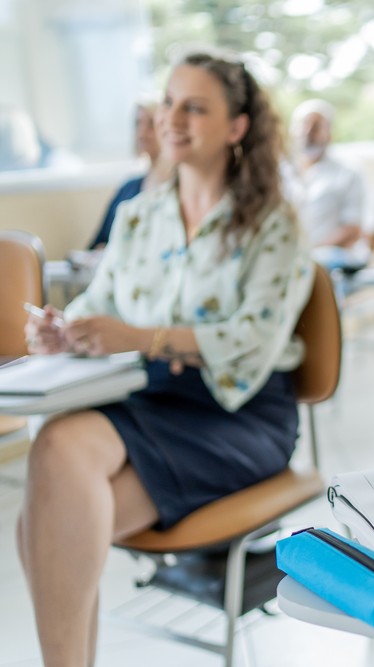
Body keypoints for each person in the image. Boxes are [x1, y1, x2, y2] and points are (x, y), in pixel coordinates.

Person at [17, 51, 313, 666]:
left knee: (47, 513)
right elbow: (99, 309)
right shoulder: (138, 216)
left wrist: (144, 337)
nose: (171, 119)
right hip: (150, 399)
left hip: (238, 414)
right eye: (169, 103)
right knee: (56, 462)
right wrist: (62, 331)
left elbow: (253, 341)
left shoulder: (273, 223)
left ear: (236, 127)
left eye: (194, 108)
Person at [282, 98, 374, 270]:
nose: (308, 132)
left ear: (329, 133)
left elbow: (353, 230)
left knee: (312, 265)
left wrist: (310, 252)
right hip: (298, 258)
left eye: (316, 127)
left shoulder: (349, 172)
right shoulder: (283, 172)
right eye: (303, 125)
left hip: (336, 256)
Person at [88, 100, 174, 249]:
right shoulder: (127, 188)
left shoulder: (177, 188)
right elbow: (98, 242)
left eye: (150, 124)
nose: (142, 132)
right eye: (137, 123)